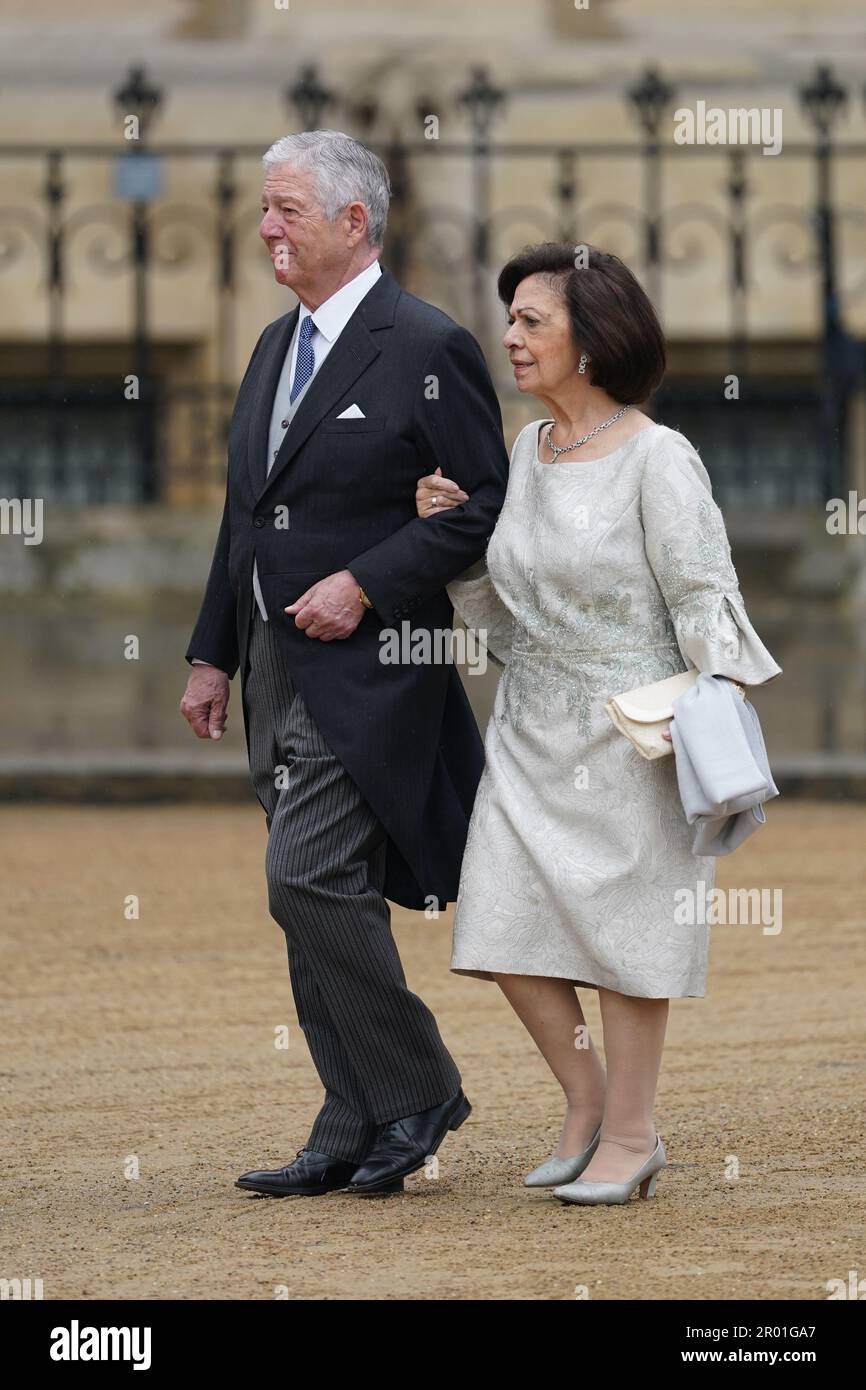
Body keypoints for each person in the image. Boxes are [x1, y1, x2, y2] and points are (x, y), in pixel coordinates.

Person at [415, 241, 781, 1206]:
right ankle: (585, 1101)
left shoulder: (661, 458)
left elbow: (706, 594)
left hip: (635, 736)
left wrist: (719, 713)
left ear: (596, 336)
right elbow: (512, 621)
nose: (512, 336)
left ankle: (631, 1133)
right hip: (529, 730)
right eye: (513, 319)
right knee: (495, 925)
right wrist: (456, 549)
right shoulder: (524, 452)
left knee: (627, 943)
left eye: (534, 320)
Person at [180, 130, 509, 1197]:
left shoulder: (426, 345)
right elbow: (246, 518)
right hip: (273, 671)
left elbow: (485, 506)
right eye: (265, 209)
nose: (266, 228)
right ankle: (350, 1112)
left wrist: (366, 582)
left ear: (353, 222)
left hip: (374, 669)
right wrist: (210, 658)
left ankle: (415, 1088)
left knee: (304, 875)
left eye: (285, 209)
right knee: (314, 895)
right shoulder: (273, 347)